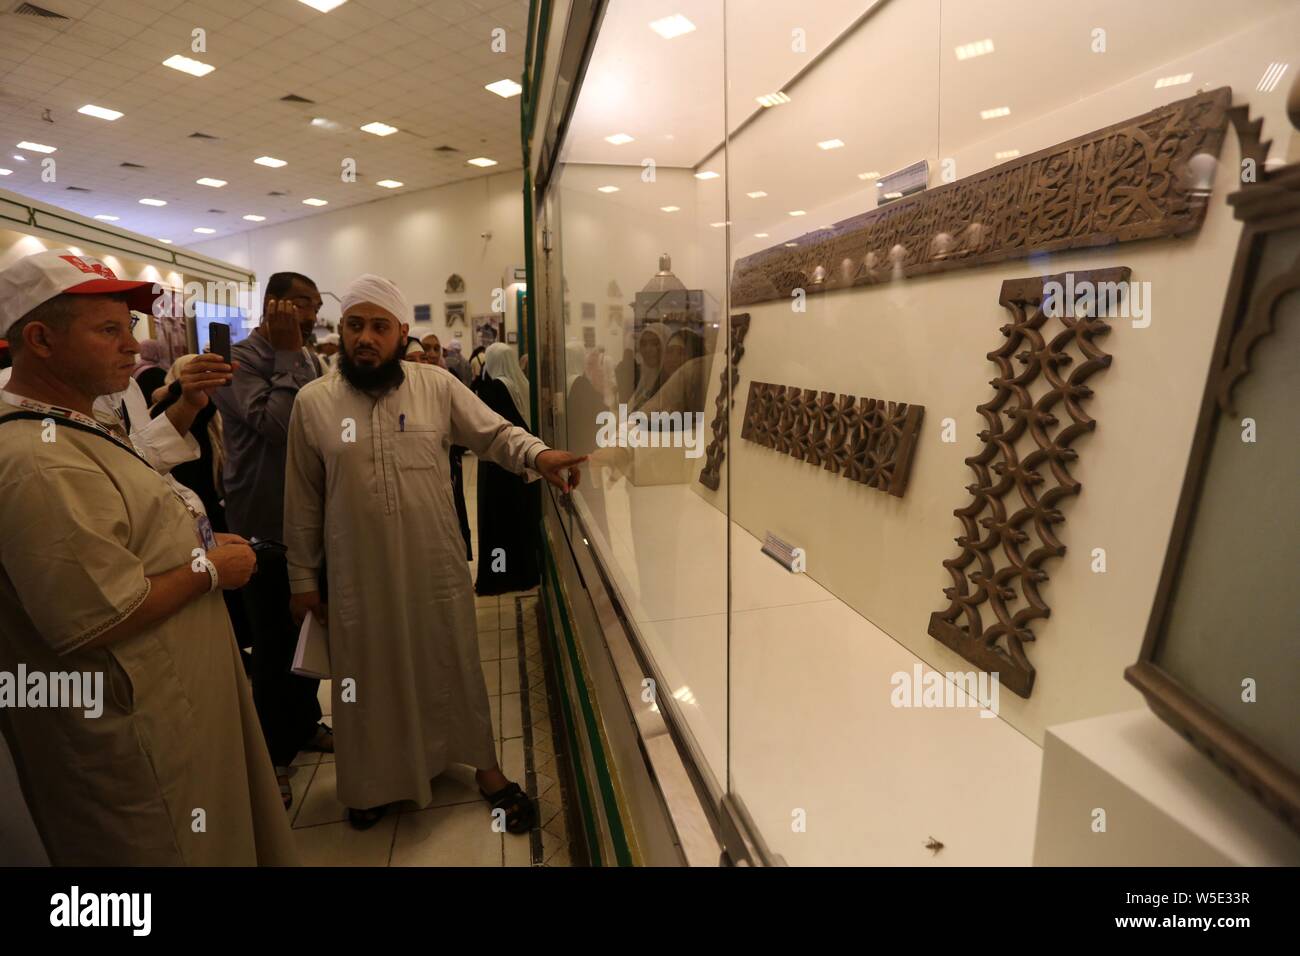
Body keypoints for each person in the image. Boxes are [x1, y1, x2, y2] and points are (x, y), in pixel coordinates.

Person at [0, 248, 297, 865]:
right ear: (39, 339)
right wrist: (210, 569)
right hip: (133, 733)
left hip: (171, 708)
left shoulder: (73, 422)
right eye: (109, 330)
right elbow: (95, 615)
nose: (133, 348)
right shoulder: (35, 460)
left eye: (128, 327)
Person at [283, 274, 587, 832]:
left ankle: (486, 769)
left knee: (449, 662)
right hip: (357, 574)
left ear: (402, 334)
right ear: (342, 332)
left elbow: (495, 435)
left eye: (379, 327)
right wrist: (302, 578)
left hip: (434, 567)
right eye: (355, 326)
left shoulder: (435, 387)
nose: (365, 339)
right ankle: (373, 783)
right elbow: (301, 500)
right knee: (367, 678)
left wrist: (538, 456)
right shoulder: (313, 403)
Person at [212, 272, 332, 810]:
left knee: (311, 630)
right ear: (276, 306)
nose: (312, 316)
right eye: (305, 305)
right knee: (273, 645)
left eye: (316, 306)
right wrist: (286, 356)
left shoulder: (308, 357)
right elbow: (278, 425)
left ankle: (305, 723)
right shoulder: (235, 361)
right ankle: (271, 758)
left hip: (310, 523)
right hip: (263, 528)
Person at [475, 343, 543, 595]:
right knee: (519, 523)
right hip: (521, 467)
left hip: (498, 472)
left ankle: (501, 576)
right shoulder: (522, 383)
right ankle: (524, 573)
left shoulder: (496, 388)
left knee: (499, 525)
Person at [628, 323, 670, 410]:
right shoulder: (640, 378)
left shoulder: (670, 383)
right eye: (643, 344)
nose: (648, 349)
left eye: (654, 344)